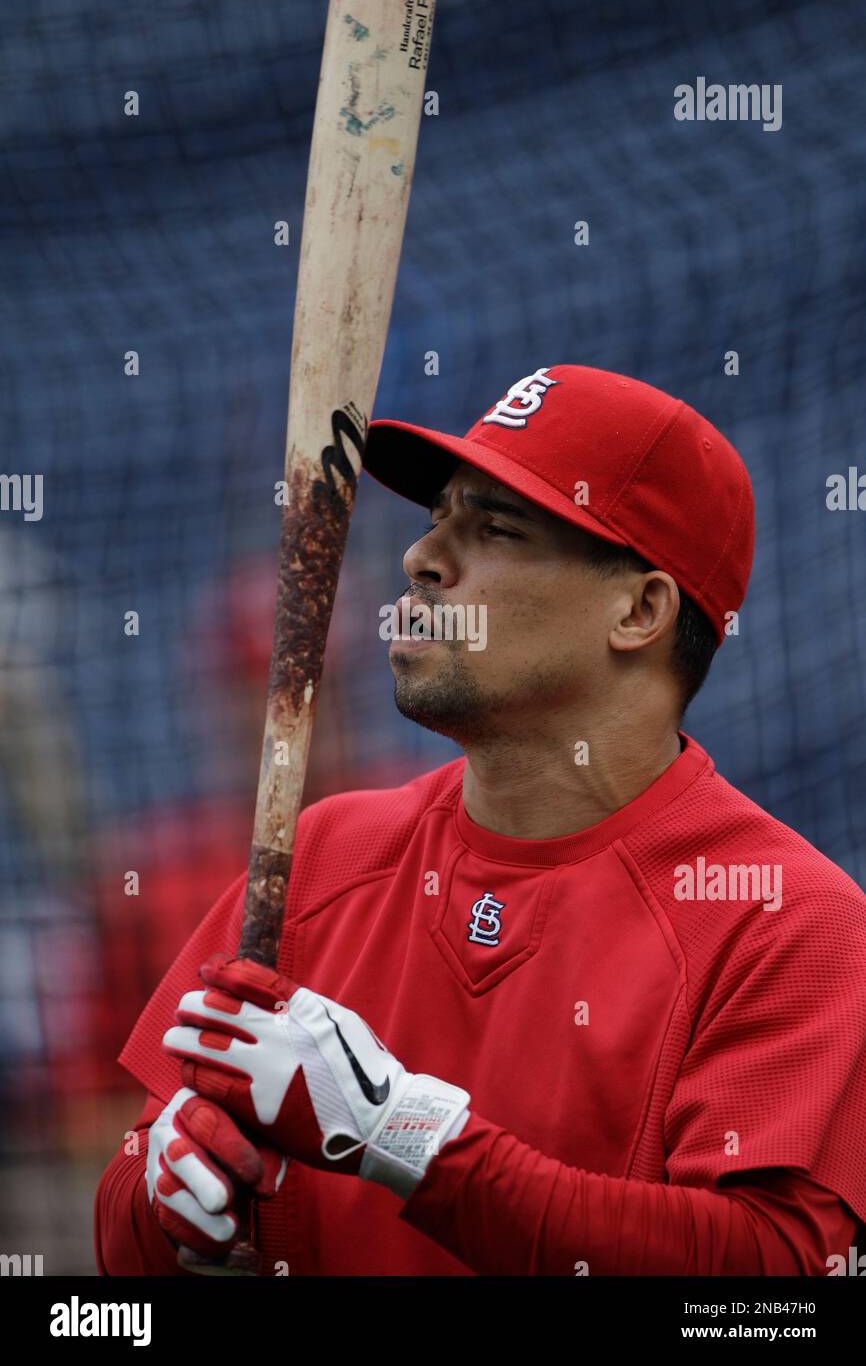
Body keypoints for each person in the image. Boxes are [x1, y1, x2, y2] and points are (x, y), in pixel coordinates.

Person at [95, 364, 866, 1276]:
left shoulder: (787, 919)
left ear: (641, 609)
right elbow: (119, 1243)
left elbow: (759, 1289)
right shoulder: (322, 860)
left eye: (495, 528)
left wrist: (400, 1132)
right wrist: (167, 1199)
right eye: (436, 519)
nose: (422, 560)